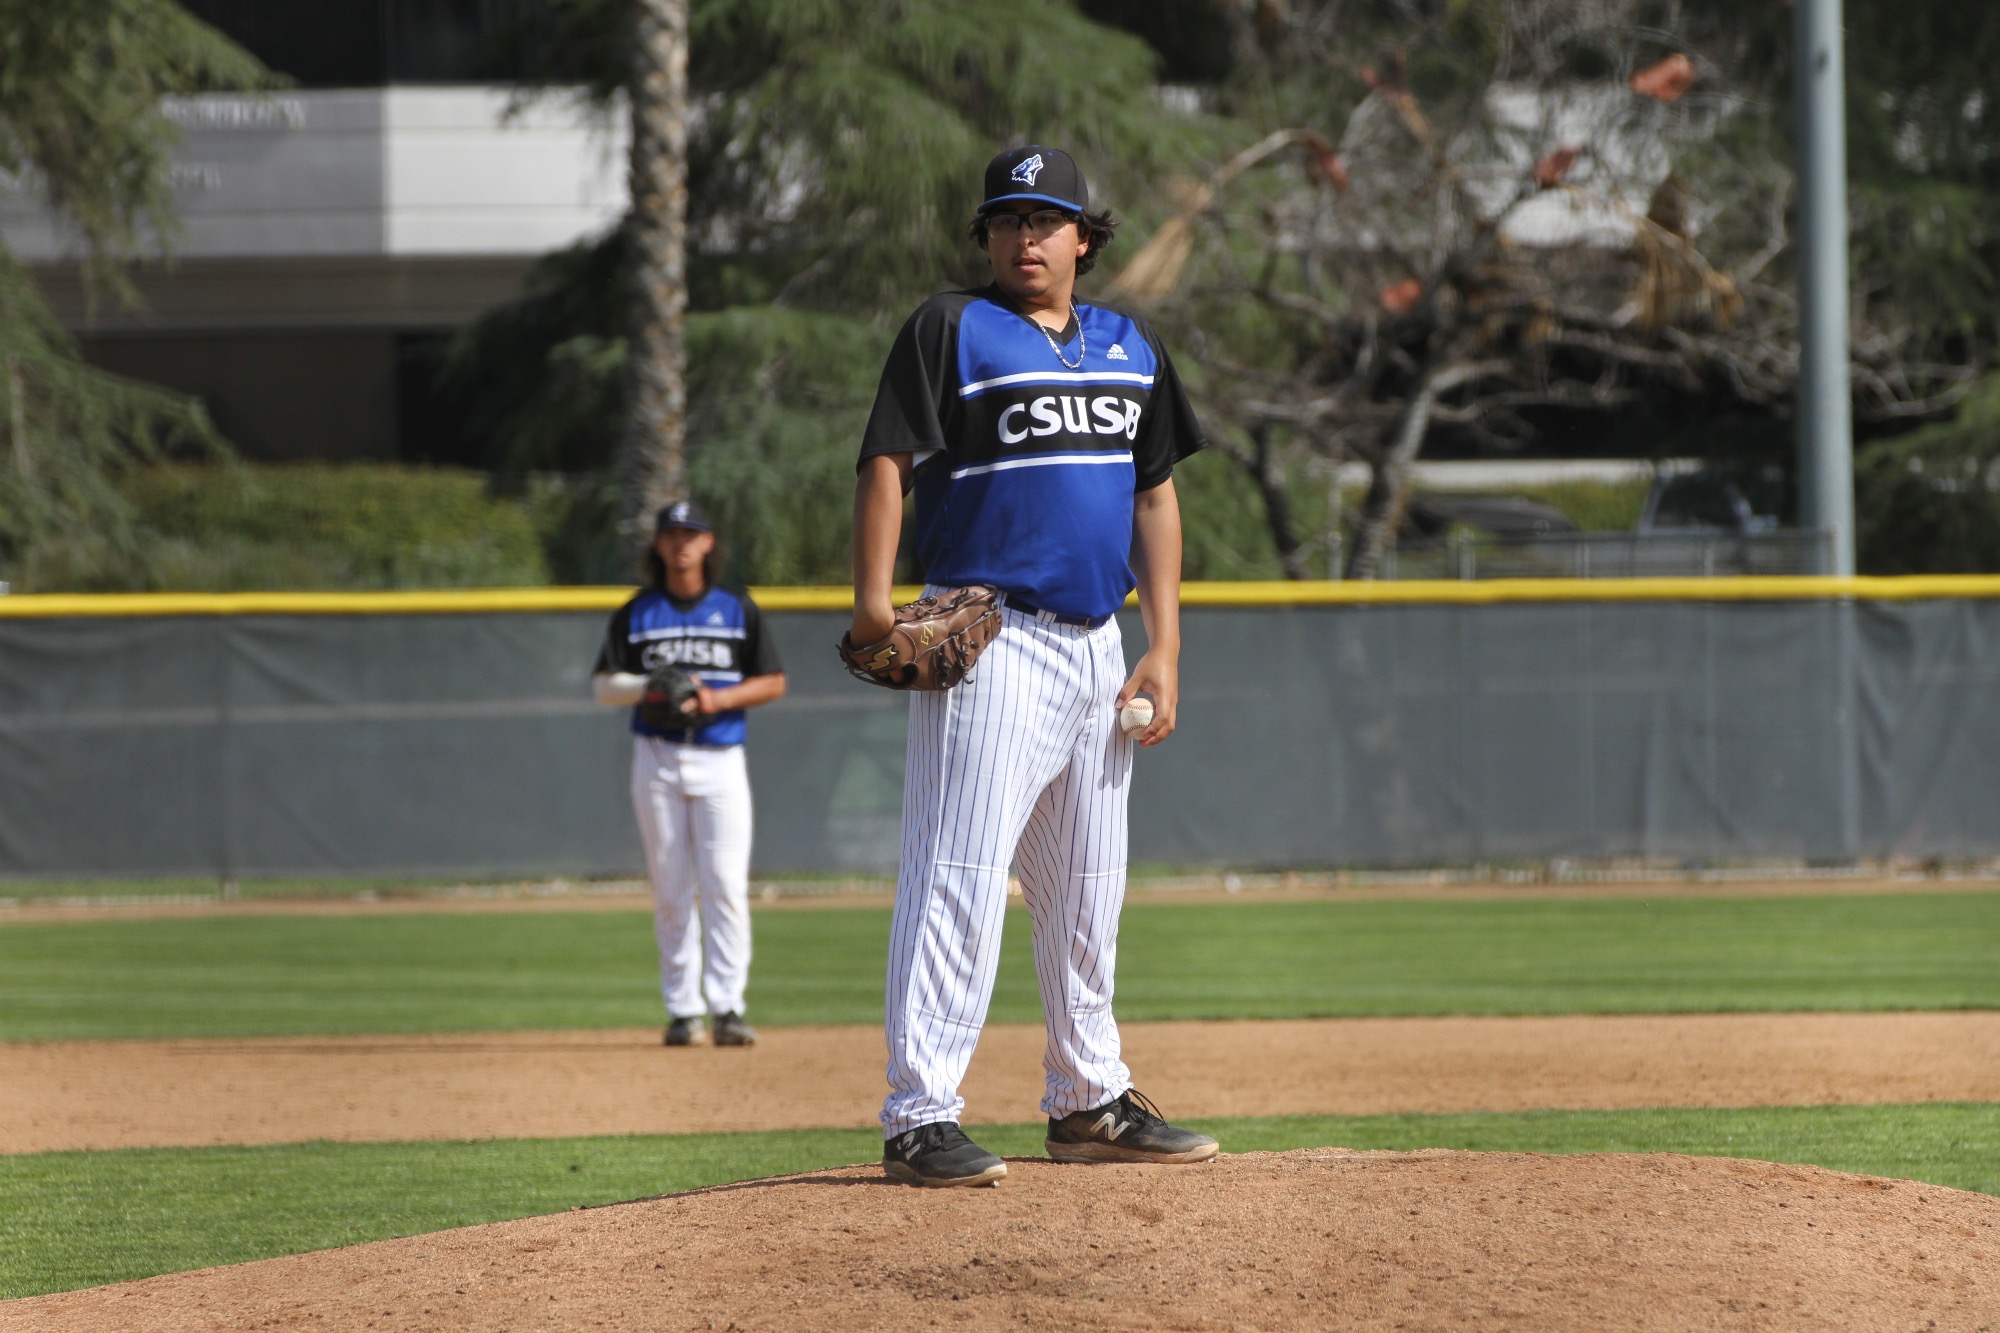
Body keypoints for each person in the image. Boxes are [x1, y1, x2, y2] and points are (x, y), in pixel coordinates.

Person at [849, 144, 1218, 1186]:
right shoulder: (949, 327)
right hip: (989, 638)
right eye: (1007, 221)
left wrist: (1167, 644)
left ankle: (1086, 1099)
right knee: (957, 875)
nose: (1024, 236)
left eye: (1046, 220)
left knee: (1086, 886)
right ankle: (919, 1115)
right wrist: (876, 601)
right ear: (987, 238)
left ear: (1084, 240)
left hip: (1099, 647)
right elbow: (887, 458)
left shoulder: (1127, 345)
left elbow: (1154, 496)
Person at [593, 501, 786, 1048]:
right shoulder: (636, 612)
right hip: (656, 758)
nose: (681, 542)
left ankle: (727, 1006)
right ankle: (683, 1010)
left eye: (691, 533)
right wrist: (650, 688)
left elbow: (772, 681)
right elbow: (605, 687)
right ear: (658, 544)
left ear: (707, 543)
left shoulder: (735, 607)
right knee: (671, 886)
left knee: (724, 885)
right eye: (672, 533)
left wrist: (713, 697)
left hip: (720, 756)